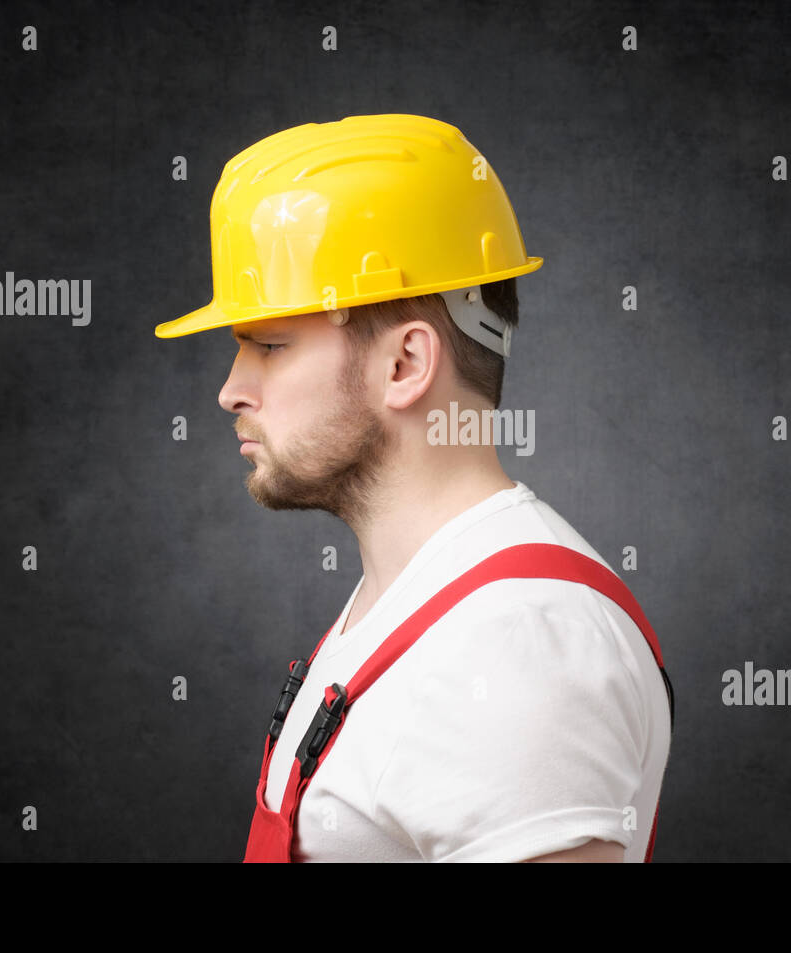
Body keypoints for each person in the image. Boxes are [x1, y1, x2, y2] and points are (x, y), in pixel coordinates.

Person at [155, 114, 673, 862]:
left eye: (269, 345)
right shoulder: (411, 597)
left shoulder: (515, 649)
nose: (231, 388)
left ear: (405, 364)